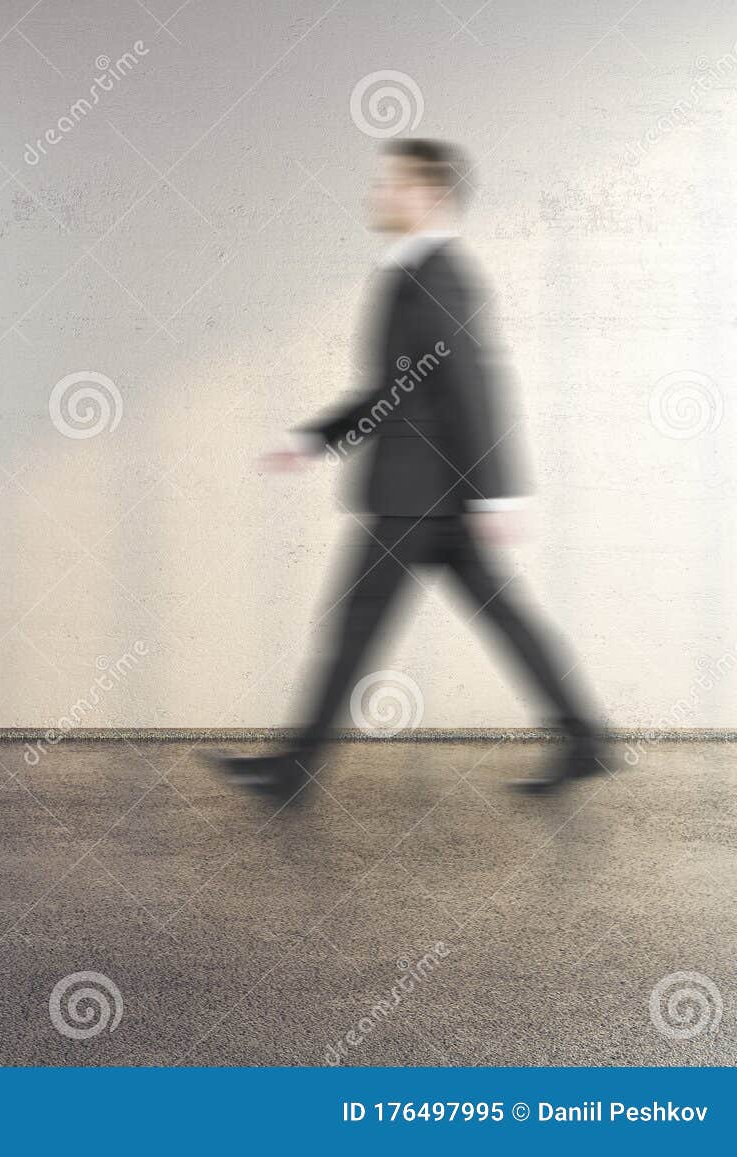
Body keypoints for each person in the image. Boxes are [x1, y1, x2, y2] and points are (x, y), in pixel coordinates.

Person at [212, 139, 604, 804]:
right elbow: (399, 389)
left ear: (433, 196)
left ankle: (292, 771)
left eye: (394, 185)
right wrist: (318, 439)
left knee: (356, 626)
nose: (379, 195)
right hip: (433, 496)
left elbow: (471, 383)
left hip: (421, 496)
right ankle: (587, 739)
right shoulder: (413, 272)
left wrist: (497, 492)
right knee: (495, 617)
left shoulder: (436, 275)